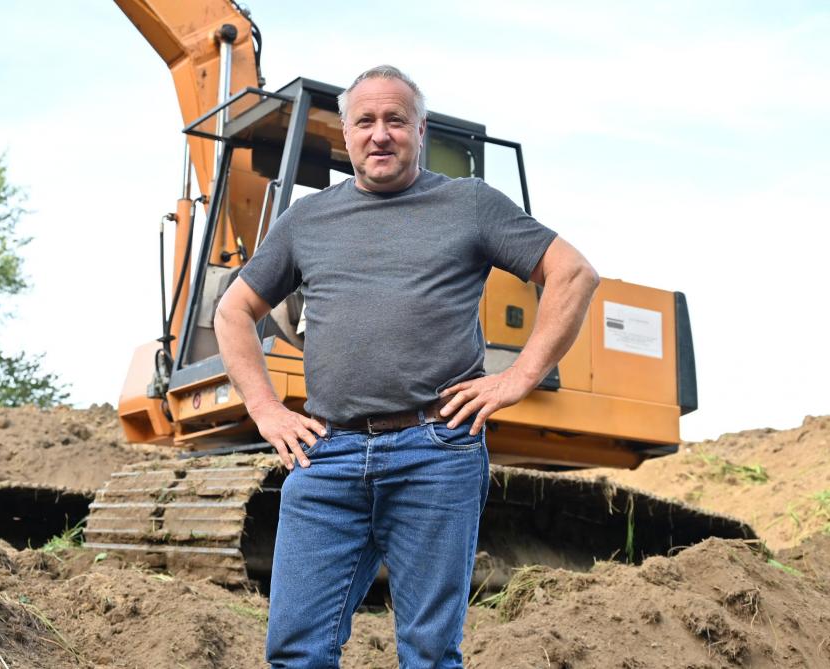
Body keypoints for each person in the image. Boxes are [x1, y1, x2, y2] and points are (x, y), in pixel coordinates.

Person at [214, 65, 599, 669]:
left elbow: (573, 273)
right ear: (346, 134)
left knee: (426, 652)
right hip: (327, 455)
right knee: (295, 652)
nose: (380, 134)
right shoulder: (307, 221)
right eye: (365, 121)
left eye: (396, 120)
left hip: (435, 452)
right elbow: (234, 310)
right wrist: (265, 409)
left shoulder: (469, 204)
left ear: (420, 131)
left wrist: (520, 376)